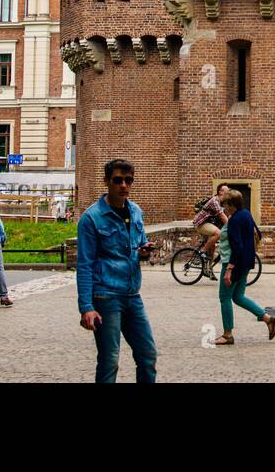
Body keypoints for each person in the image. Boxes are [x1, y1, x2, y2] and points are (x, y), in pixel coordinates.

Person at [77, 158, 159, 383]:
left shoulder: (136, 212)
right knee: (109, 360)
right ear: (106, 181)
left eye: (129, 181)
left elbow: (139, 243)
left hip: (132, 295)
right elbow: (84, 265)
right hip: (106, 296)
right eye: (118, 180)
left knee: (148, 354)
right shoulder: (91, 218)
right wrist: (86, 307)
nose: (124, 185)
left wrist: (144, 251)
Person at [214, 189, 275, 345]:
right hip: (246, 262)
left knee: (225, 298)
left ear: (232, 205)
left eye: (226, 205)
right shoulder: (247, 214)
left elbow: (237, 247)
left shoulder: (235, 220)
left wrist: (229, 269)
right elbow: (258, 234)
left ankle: (227, 334)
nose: (224, 209)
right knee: (238, 296)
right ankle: (268, 319)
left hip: (234, 262)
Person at [193, 184, 229, 278]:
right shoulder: (215, 201)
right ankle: (202, 252)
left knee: (212, 249)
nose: (228, 193)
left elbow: (228, 215)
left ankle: (208, 270)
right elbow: (222, 216)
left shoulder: (223, 203)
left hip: (208, 224)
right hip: (200, 224)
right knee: (218, 233)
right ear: (220, 192)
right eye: (226, 191)